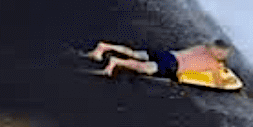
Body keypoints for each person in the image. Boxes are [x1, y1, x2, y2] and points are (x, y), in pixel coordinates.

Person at [84, 39, 233, 85]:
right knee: (143, 68)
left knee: (135, 53)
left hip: (168, 54)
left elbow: (208, 47)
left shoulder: (202, 47)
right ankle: (115, 62)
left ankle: (104, 46)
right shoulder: (215, 64)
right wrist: (225, 79)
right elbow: (219, 83)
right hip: (172, 66)